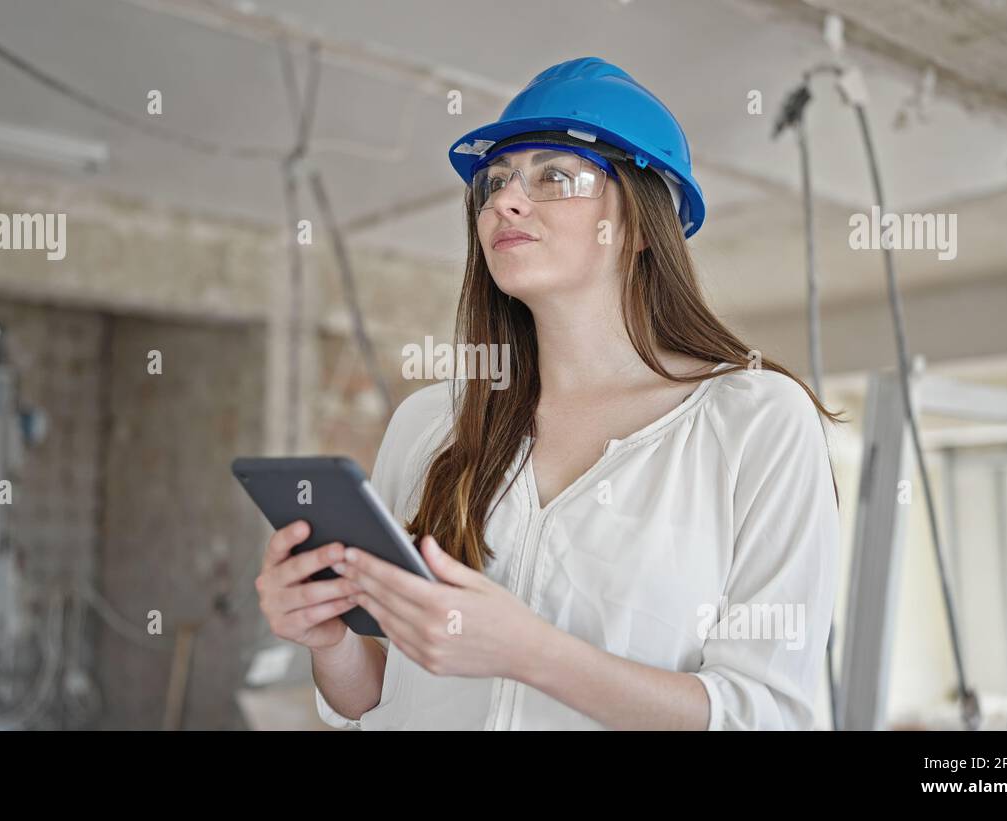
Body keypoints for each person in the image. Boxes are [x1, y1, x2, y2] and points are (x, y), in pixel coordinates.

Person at [254, 56, 842, 730]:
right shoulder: (427, 423)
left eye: (554, 176)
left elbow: (767, 715)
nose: (505, 197)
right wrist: (329, 641)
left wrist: (533, 651)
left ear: (643, 225)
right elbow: (394, 695)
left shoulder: (756, 421)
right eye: (496, 179)